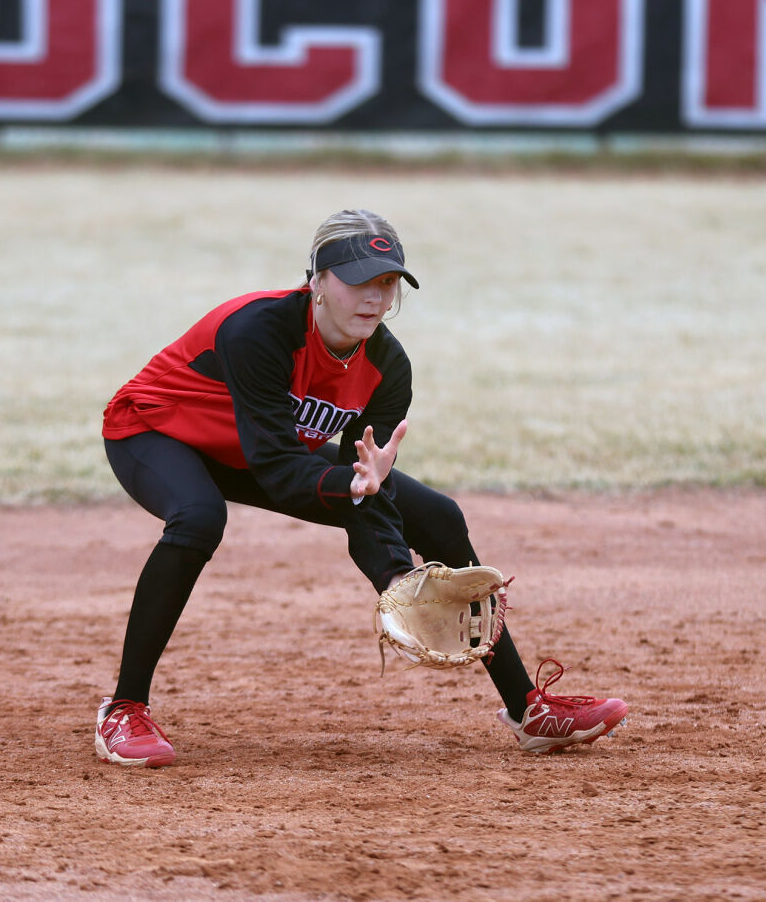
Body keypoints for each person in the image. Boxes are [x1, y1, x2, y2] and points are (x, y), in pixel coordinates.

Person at [95, 208, 629, 767]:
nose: (373, 298)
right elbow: (281, 468)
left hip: (262, 449)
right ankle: (124, 708)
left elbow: (360, 486)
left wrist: (397, 576)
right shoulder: (258, 329)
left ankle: (530, 711)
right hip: (156, 430)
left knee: (439, 516)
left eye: (386, 282)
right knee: (199, 517)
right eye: (356, 281)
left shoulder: (387, 366)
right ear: (317, 282)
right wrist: (354, 488)